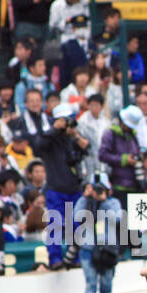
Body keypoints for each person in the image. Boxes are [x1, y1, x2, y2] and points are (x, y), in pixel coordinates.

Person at [33, 103, 89, 268]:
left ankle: (75, 257)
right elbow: (38, 145)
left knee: (76, 224)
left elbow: (84, 152)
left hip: (74, 188)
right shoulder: (49, 138)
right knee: (55, 223)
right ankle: (55, 258)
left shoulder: (72, 139)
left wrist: (76, 137)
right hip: (56, 188)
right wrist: (54, 129)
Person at [97, 104, 146, 200]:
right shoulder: (110, 134)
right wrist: (123, 159)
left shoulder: (133, 136)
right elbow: (102, 155)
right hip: (117, 184)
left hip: (134, 184)